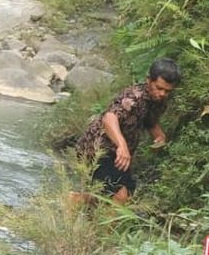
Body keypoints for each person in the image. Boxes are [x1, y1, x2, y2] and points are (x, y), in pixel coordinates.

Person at [75, 58, 181, 204]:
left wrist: (158, 135)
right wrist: (122, 146)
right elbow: (109, 118)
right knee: (119, 194)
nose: (162, 94)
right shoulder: (133, 97)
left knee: (123, 193)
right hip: (98, 148)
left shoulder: (159, 101)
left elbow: (149, 120)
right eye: (159, 88)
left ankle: (77, 201)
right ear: (149, 81)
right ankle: (76, 201)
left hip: (118, 155)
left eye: (167, 91)